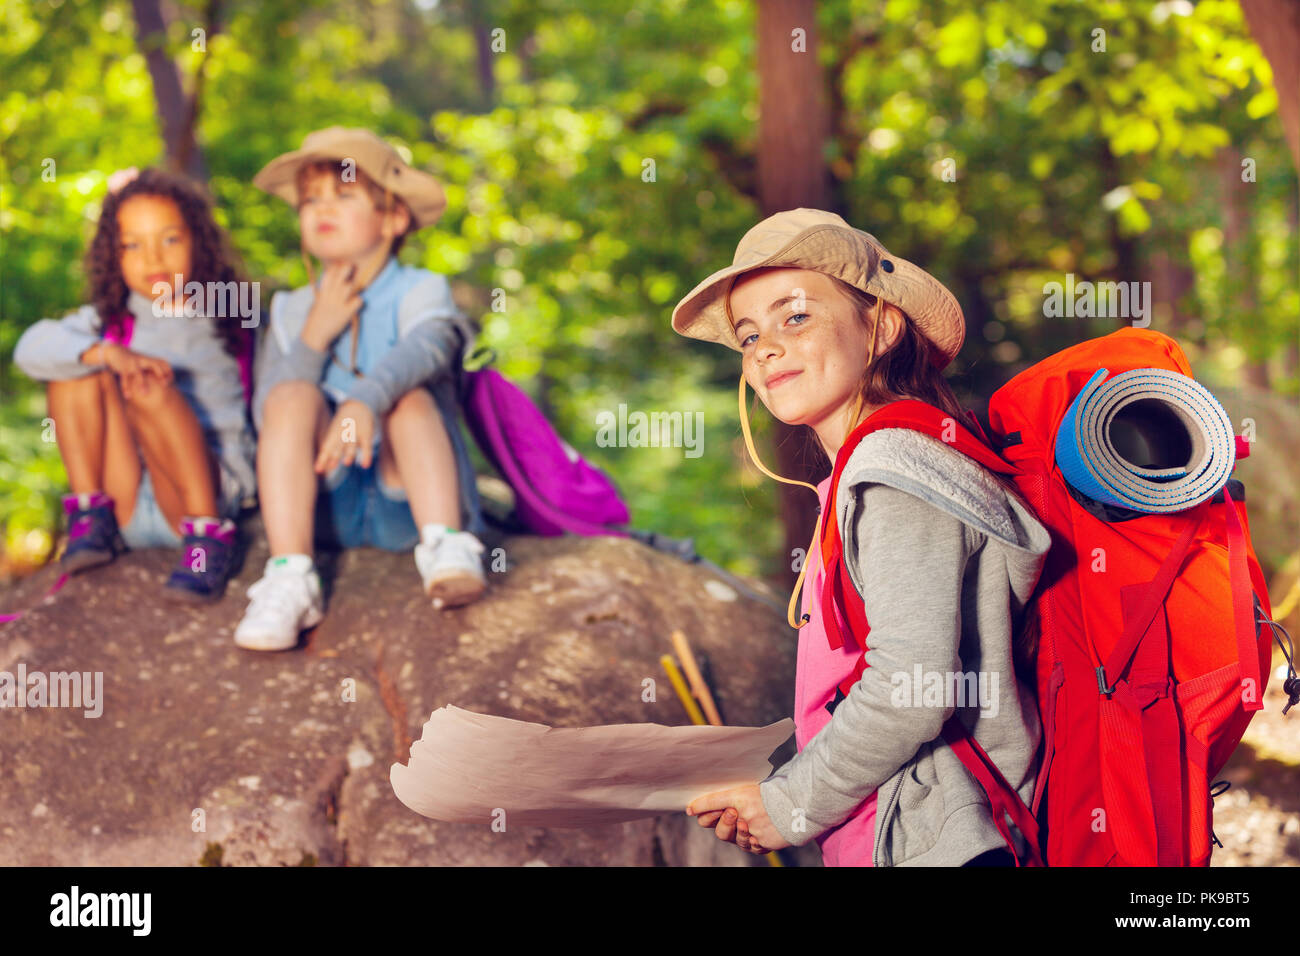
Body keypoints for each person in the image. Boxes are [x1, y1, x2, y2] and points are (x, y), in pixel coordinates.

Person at [675, 209, 1052, 866]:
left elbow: (914, 682)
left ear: (880, 327)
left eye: (795, 317)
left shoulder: (896, 472)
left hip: (947, 843)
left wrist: (790, 803)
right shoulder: (879, 467)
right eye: (748, 335)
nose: (764, 348)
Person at [235, 127, 488, 652]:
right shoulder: (288, 310)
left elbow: (433, 348)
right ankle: (290, 574)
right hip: (328, 504)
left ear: (394, 217)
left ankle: (446, 544)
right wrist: (314, 334)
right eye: (310, 199)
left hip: (407, 500)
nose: (320, 209)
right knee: (290, 395)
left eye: (343, 194)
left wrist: (365, 398)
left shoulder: (421, 289)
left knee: (409, 396)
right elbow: (268, 416)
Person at [14, 167, 255, 601]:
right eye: (133, 245)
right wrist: (107, 353)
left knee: (149, 387)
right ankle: (90, 518)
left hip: (193, 497)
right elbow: (30, 347)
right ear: (115, 254)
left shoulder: (232, 315)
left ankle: (206, 543)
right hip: (124, 501)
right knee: (74, 365)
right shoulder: (111, 321)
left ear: (198, 240)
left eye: (170, 239)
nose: (153, 259)